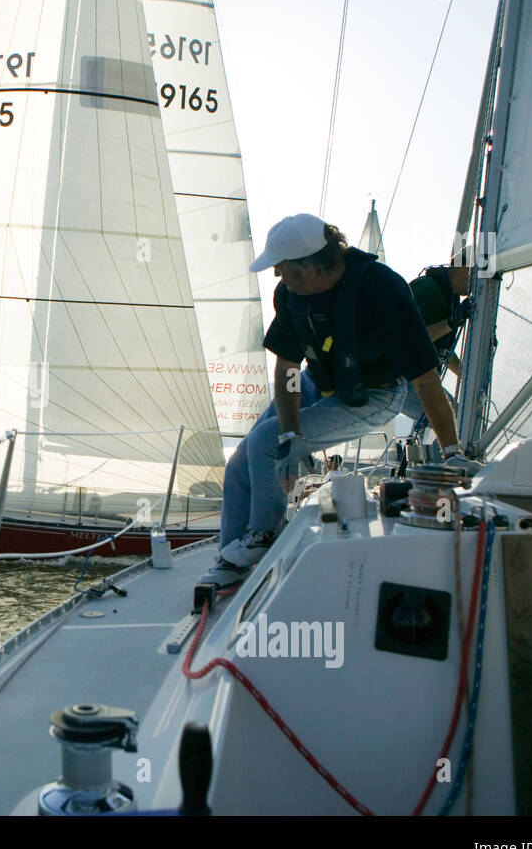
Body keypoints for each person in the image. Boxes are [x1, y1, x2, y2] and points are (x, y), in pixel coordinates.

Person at [199, 213, 475, 588]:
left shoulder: (382, 290)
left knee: (266, 441)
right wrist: (292, 435)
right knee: (246, 456)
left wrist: (452, 451)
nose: (277, 275)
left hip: (375, 394)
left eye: (281, 267)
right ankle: (232, 561)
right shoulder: (291, 295)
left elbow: (425, 380)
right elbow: (289, 370)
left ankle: (264, 536)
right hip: (317, 379)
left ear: (310, 268)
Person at [401, 262, 472, 433]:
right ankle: (453, 458)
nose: (474, 288)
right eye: (475, 278)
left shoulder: (450, 298)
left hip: (420, 378)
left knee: (462, 418)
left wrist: (463, 372)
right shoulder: (429, 290)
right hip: (400, 378)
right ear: (465, 269)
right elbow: (411, 339)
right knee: (460, 422)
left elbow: (439, 346)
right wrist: (450, 323)